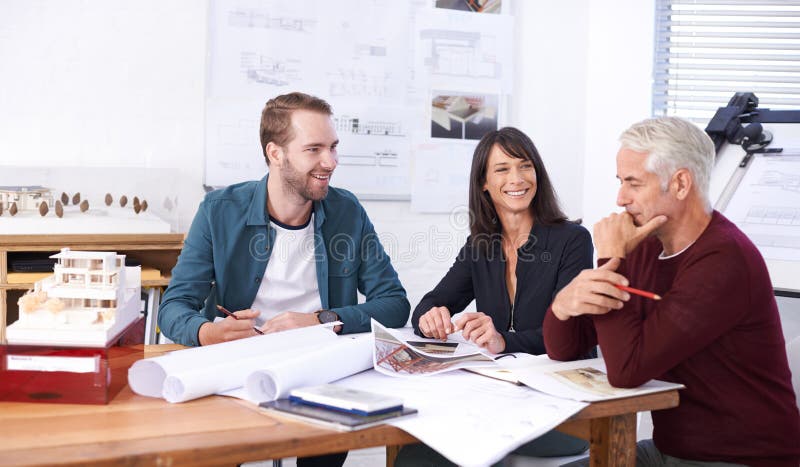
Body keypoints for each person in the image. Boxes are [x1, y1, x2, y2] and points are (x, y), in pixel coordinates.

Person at [158, 92, 410, 467]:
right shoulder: (219, 211)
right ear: (276, 154)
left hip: (320, 367)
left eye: (333, 147)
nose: (330, 162)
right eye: (314, 149)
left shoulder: (347, 211)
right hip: (239, 367)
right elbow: (173, 306)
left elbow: (394, 303)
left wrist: (319, 320)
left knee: (322, 454)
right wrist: (208, 333)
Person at [546, 116, 800, 467]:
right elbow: (566, 349)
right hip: (672, 451)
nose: (620, 199)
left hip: (742, 458)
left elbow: (627, 371)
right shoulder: (645, 245)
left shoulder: (725, 259)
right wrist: (563, 305)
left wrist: (611, 257)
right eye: (620, 182)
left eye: (633, 183)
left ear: (680, 183)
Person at [395, 127, 594, 466]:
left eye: (524, 165)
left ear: (537, 173)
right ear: (484, 183)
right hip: (498, 398)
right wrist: (431, 318)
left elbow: (573, 337)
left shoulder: (572, 240)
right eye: (502, 169)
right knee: (416, 451)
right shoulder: (481, 246)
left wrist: (503, 341)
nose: (516, 178)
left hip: (558, 403)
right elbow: (429, 304)